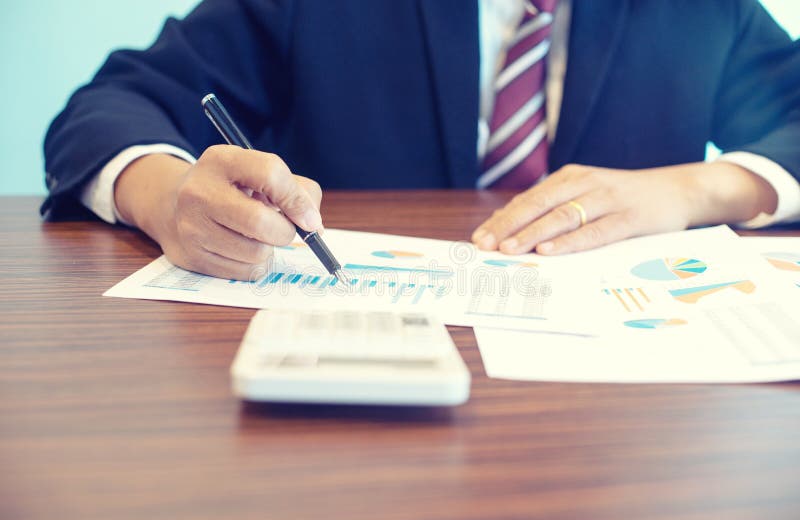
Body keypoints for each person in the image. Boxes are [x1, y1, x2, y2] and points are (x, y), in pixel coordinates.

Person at [43, 0, 800, 280]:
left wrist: (696, 189)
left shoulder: (708, 9)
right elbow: (111, 105)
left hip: (612, 401)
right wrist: (165, 195)